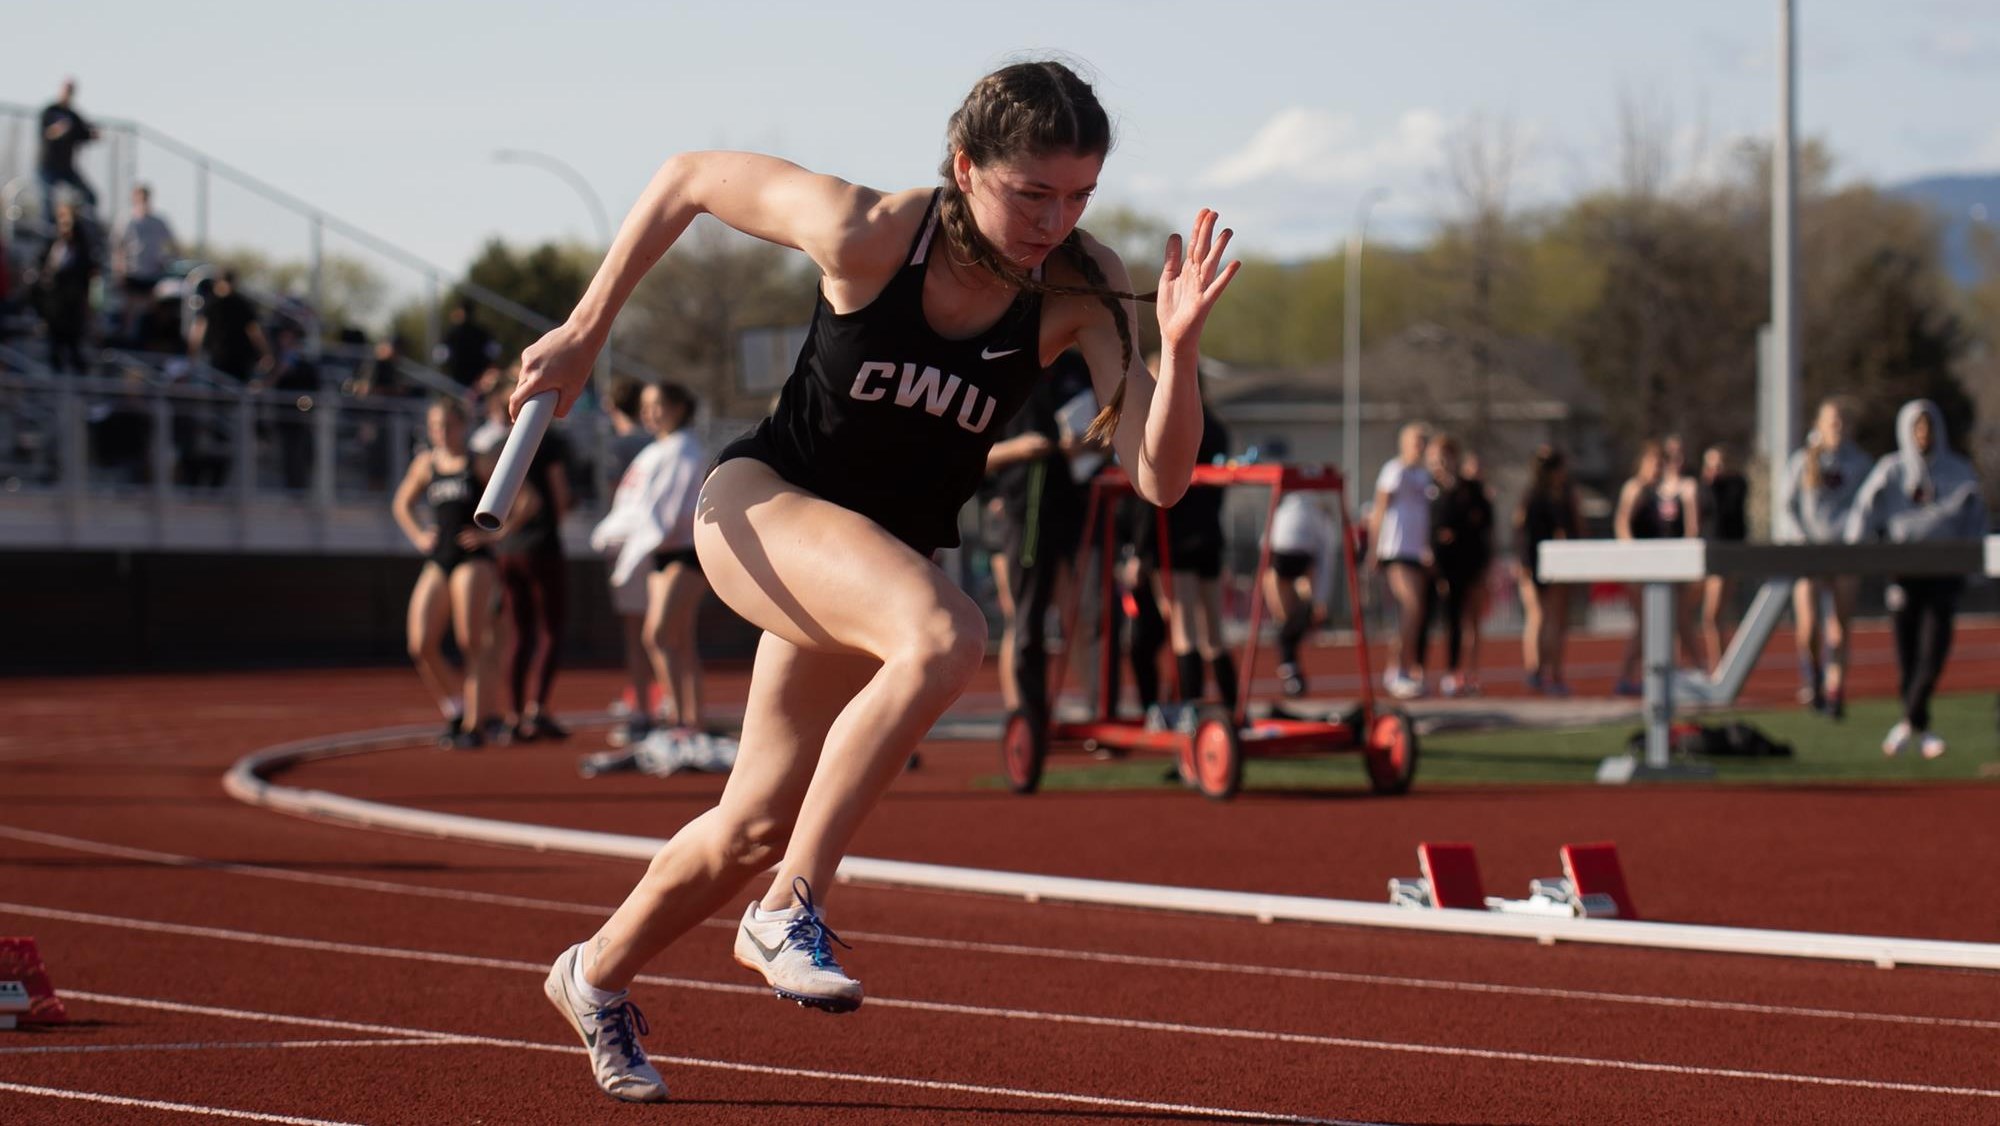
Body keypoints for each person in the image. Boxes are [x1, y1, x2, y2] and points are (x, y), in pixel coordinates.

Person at [508, 60, 1236, 1103]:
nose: (1052, 219)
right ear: (963, 166)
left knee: (750, 823)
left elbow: (1159, 482)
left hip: (867, 564)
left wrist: (1179, 346)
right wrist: (587, 328)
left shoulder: (1080, 282)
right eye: (1030, 192)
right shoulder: (872, 231)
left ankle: (594, 972)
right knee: (944, 633)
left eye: (1077, 194)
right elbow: (686, 176)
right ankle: (788, 907)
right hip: (761, 508)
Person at [1846, 400, 1987, 759]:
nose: (1923, 436)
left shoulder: (1958, 471)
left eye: (1929, 428)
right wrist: (1854, 551)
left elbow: (1976, 518)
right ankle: (1919, 727)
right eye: (1917, 428)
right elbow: (1865, 511)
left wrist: (1974, 564)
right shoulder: (1891, 470)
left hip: (1944, 574)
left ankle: (1909, 721)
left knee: (1933, 651)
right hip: (1904, 574)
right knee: (1906, 655)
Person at [593, 381, 712, 752]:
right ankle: (691, 722)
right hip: (663, 554)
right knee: (680, 640)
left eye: (657, 405)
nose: (649, 412)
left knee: (657, 635)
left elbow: (667, 515)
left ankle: (678, 719)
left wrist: (632, 548)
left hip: (685, 553)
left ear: (678, 407)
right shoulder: (658, 450)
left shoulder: (685, 451)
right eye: (645, 406)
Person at [391, 398, 516, 750]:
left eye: (448, 425)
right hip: (439, 557)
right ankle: (457, 708)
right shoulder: (426, 464)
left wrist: (494, 533)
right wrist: (418, 534)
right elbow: (401, 503)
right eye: (435, 427)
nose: (441, 433)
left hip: (473, 559)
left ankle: (475, 724)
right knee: (420, 643)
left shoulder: (478, 462)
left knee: (470, 642)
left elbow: (524, 500)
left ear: (462, 426)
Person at [985, 349, 1090, 726]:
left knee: (1078, 613)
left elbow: (1103, 426)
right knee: (1023, 616)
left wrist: (1087, 443)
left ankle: (1090, 709)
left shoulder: (1076, 366)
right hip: (1016, 510)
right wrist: (1020, 449)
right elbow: (969, 452)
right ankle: (1023, 716)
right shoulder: (999, 364)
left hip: (1069, 506)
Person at [491, 370, 573, 742]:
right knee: (550, 630)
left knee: (519, 634)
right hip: (540, 546)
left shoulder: (502, 441)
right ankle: (536, 710)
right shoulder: (549, 440)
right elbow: (555, 497)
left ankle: (512, 714)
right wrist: (553, 521)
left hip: (509, 550)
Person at [1785, 398, 1871, 718]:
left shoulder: (1860, 463)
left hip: (1845, 554)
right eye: (1830, 420)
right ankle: (1814, 676)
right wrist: (1800, 538)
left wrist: (1855, 536)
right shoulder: (1801, 462)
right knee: (1808, 627)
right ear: (1819, 424)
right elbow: (1786, 506)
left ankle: (1836, 690)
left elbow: (1867, 506)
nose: (1836, 426)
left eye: (1841, 421)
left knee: (1839, 626)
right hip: (1809, 554)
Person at [599, 374, 665, 740]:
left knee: (639, 633)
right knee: (663, 632)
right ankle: (664, 704)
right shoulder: (657, 441)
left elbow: (617, 497)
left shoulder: (621, 446)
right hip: (658, 544)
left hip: (630, 544)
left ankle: (643, 709)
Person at [1368, 422, 1433, 699]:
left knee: (1416, 615)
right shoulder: (1394, 470)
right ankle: (1395, 670)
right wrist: (1373, 548)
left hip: (1418, 552)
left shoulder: (1424, 477)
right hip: (1396, 550)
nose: (1421, 445)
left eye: (1424, 440)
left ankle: (1407, 668)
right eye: (1416, 440)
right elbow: (1379, 509)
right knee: (1410, 607)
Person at [1262, 450, 1334, 699]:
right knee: (1288, 623)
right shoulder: (1290, 507)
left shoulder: (1310, 509)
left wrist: (1320, 598)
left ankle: (1291, 670)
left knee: (1291, 623)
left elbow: (1325, 556)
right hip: (1287, 563)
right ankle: (1291, 670)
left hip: (1298, 564)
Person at [1426, 433, 1493, 697]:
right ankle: (1451, 672)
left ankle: (1472, 671)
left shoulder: (1471, 488)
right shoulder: (1432, 489)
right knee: (1451, 619)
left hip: (1472, 560)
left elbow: (1484, 522)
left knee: (1472, 620)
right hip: (1446, 564)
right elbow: (1432, 527)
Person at [1514, 444, 1582, 695]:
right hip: (1535, 563)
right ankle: (1536, 670)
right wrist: (1524, 565)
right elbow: (1523, 533)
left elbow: (1574, 529)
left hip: (1559, 564)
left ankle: (1554, 673)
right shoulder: (1533, 496)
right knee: (1539, 617)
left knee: (1556, 621)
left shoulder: (1565, 496)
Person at [1697, 444, 1749, 671]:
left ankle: (1721, 666)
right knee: (1710, 615)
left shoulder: (1736, 484)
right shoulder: (1702, 487)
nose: (1715, 469)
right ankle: (1719, 663)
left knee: (1713, 615)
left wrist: (1713, 483)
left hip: (1727, 553)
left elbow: (1724, 512)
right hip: (1707, 552)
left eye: (1719, 464)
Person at [111, 185, 179, 344]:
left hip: (151, 272)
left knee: (150, 305)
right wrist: (119, 269)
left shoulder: (158, 221)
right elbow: (118, 247)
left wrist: (165, 260)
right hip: (131, 270)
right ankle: (127, 337)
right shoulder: (126, 220)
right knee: (129, 306)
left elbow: (173, 245)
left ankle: (146, 336)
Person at [33, 202, 96, 374]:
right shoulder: (53, 245)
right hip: (54, 307)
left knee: (73, 346)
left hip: (72, 307)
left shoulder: (82, 250)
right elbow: (43, 269)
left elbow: (88, 277)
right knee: (55, 346)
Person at [187, 270, 270, 382]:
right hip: (220, 359)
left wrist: (265, 353)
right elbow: (198, 330)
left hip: (234, 360)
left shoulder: (237, 304)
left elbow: (254, 330)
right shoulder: (215, 304)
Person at [37, 79, 99, 228]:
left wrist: (93, 134)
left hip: (66, 168)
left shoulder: (74, 116)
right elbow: (46, 133)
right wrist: (57, 130)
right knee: (48, 200)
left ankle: (82, 227)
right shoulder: (50, 111)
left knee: (90, 196)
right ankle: (49, 231)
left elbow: (85, 133)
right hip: (47, 166)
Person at [435, 298, 501, 389]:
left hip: (473, 379)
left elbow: (440, 357)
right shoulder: (481, 332)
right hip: (467, 378)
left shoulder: (451, 334)